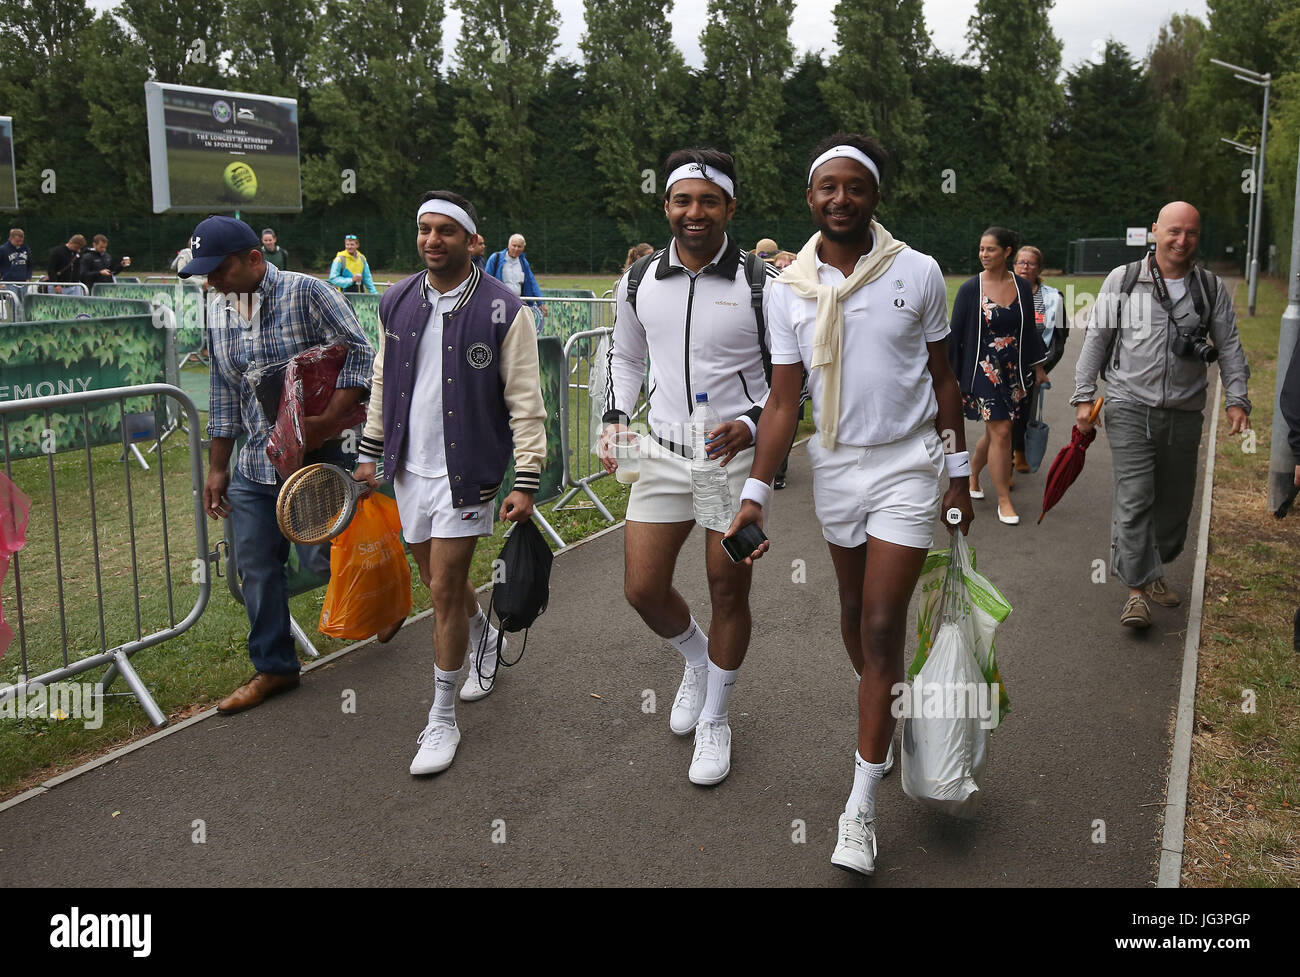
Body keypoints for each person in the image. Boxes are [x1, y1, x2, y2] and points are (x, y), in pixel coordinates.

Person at [727, 133, 972, 877]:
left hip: (905, 465)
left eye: (854, 187)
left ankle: (860, 805)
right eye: (827, 188)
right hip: (833, 468)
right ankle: (886, 705)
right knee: (851, 613)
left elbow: (945, 380)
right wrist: (752, 493)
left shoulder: (918, 272)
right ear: (811, 198)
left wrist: (957, 474)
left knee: (879, 618)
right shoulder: (785, 288)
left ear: (874, 196)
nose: (840, 199)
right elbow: (781, 398)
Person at [353, 190, 546, 776]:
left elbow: (525, 401)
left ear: (472, 241)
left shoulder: (503, 308)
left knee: (443, 588)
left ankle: (441, 720)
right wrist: (368, 452)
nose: (432, 240)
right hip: (407, 470)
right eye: (424, 229)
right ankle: (484, 633)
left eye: (445, 231)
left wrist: (528, 476)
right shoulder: (396, 301)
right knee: (439, 581)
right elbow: (384, 384)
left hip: (469, 474)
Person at [599, 147, 775, 787]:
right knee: (642, 588)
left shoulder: (762, 284)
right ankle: (697, 661)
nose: (693, 212)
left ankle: (717, 718)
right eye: (682, 200)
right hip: (663, 449)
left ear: (730, 207)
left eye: (707, 200)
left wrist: (753, 422)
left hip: (729, 457)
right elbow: (623, 355)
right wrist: (616, 419)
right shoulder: (639, 279)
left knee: (727, 586)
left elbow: (794, 382)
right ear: (666, 206)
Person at [182, 216, 374, 713]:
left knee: (320, 557)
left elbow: (360, 352)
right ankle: (274, 667)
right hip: (254, 463)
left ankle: (380, 600)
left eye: (219, 269)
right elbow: (224, 391)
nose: (211, 281)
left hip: (317, 459)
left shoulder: (308, 293)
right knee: (255, 565)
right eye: (205, 274)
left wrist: (327, 421)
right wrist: (217, 467)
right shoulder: (219, 310)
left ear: (253, 258)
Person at [1073, 200, 1251, 629]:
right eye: (1173, 231)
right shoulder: (1126, 279)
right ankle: (1136, 592)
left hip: (1186, 412)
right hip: (1129, 405)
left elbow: (1229, 346)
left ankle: (1154, 569)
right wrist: (1083, 396)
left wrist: (1237, 399)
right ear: (1156, 230)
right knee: (1135, 498)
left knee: (1174, 506)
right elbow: (1098, 338)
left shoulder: (1209, 287)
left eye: (1190, 232)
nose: (1181, 240)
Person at [948, 227, 1049, 525]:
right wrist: (951, 379)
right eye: (981, 249)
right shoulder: (970, 289)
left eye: (990, 249)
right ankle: (1004, 499)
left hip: (1012, 370)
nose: (983, 254)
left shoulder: (1021, 287)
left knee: (996, 432)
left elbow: (1029, 331)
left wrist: (1039, 369)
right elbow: (955, 337)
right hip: (983, 370)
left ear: (1007, 252)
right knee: (1003, 431)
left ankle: (972, 473)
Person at [1010, 245, 1068, 472]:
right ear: (1013, 266)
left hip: (1035, 367)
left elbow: (1059, 338)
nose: (1025, 267)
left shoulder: (1053, 298)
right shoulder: (1001, 292)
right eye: (1020, 262)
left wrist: (1041, 367)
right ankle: (1006, 464)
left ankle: (1020, 451)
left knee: (1025, 414)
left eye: (1030, 263)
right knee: (1005, 418)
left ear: (1039, 268)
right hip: (1003, 366)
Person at [484, 234, 541, 299]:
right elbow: (486, 280)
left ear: (523, 248)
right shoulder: (495, 258)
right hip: (499, 301)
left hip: (518, 301)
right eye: (514, 245)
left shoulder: (524, 262)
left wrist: (540, 302)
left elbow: (532, 281)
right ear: (508, 245)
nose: (516, 249)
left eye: (519, 246)